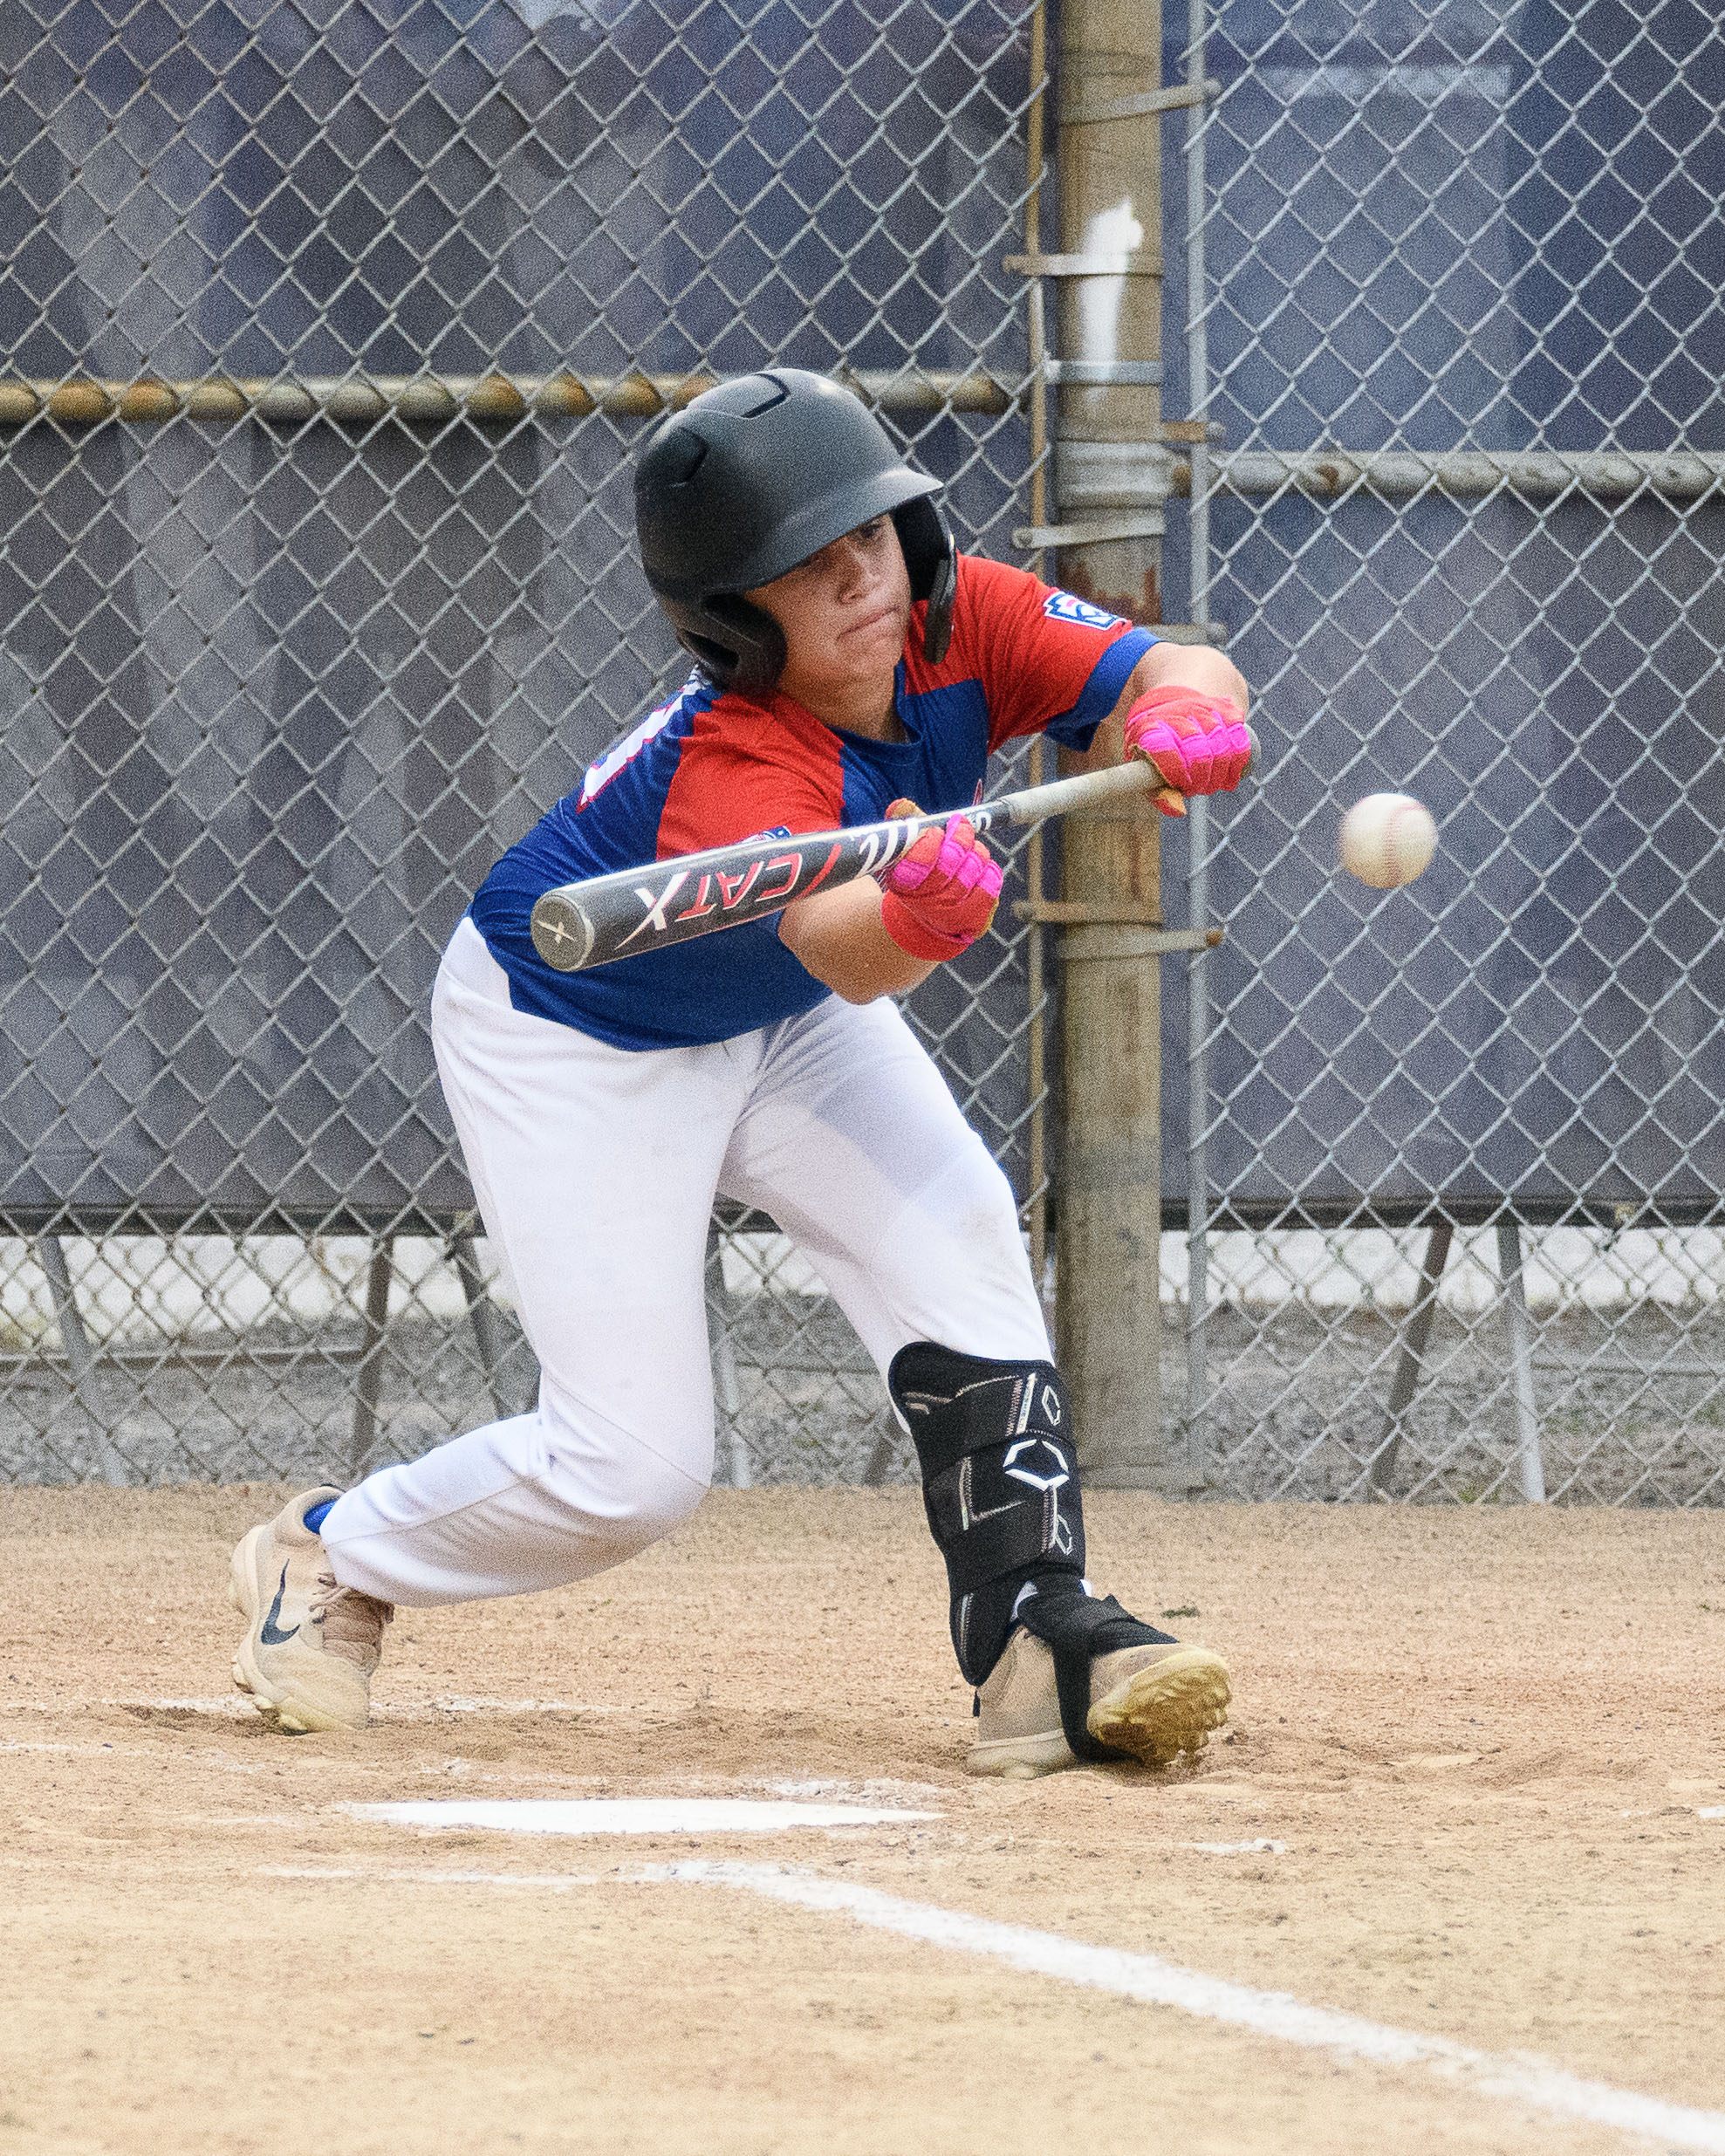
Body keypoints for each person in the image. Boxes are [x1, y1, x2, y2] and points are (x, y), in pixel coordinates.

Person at [227, 369, 1253, 1777]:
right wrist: (917, 915)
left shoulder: (973, 619)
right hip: (578, 1030)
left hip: (775, 1014)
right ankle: (331, 1553)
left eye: (872, 539)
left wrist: (1178, 712)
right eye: (803, 568)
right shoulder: (740, 754)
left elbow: (1161, 670)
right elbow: (839, 946)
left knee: (956, 1234)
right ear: (729, 617)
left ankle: (1039, 1637)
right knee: (628, 1471)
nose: (857, 582)